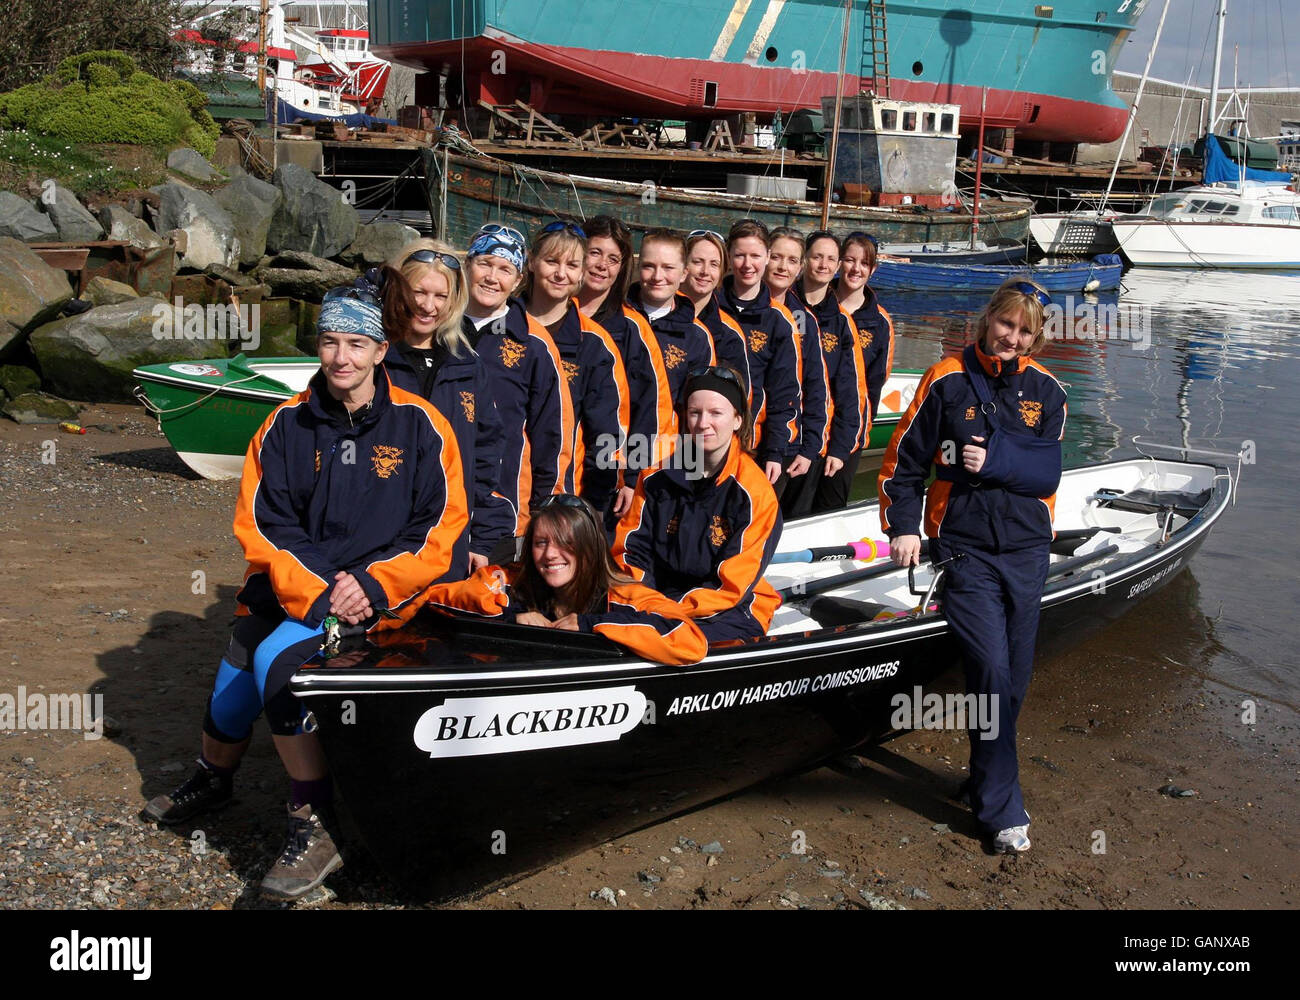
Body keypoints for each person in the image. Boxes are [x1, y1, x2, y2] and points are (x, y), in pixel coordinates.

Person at [142, 289, 469, 898]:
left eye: (356, 343)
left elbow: (439, 526)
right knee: (238, 664)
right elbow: (264, 525)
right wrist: (321, 592)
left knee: (278, 665)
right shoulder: (285, 424)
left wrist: (371, 584)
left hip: (384, 594)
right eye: (329, 342)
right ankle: (214, 777)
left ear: (380, 350)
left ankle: (315, 822)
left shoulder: (422, 425)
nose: (341, 356)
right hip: (304, 588)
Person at [877, 278, 1067, 855]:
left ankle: (987, 776)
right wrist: (904, 527)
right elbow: (903, 464)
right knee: (989, 672)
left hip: (1027, 550)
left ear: (1036, 337)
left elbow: (1046, 474)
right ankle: (1003, 813)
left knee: (1014, 679)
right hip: (964, 548)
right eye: (1005, 323)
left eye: (1025, 330)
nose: (1012, 336)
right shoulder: (945, 379)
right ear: (988, 320)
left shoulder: (1049, 392)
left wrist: (1000, 460)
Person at [423, 493, 708, 665]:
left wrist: (590, 624)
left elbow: (690, 640)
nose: (550, 555)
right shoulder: (508, 579)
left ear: (589, 546)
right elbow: (436, 598)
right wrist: (512, 616)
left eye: (564, 542)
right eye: (541, 542)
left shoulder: (623, 594)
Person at [614, 366, 782, 643]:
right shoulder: (655, 477)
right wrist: (650, 604)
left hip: (726, 608)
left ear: (738, 420)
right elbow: (631, 553)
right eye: (695, 412)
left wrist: (666, 613)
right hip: (654, 600)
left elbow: (731, 586)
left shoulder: (755, 495)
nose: (703, 423)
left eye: (716, 413)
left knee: (675, 640)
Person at [379, 238, 513, 579]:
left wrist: (481, 538)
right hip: (380, 540)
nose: (428, 306)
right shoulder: (373, 359)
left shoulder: (468, 366)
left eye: (441, 296)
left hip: (450, 540)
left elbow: (486, 458)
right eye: (418, 292)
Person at [460, 223, 574, 540]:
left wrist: (546, 509)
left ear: (518, 280)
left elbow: (553, 434)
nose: (492, 278)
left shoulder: (535, 344)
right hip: (438, 497)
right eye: (484, 264)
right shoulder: (439, 330)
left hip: (506, 504)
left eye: (505, 269)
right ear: (467, 265)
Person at [523, 220, 631, 517]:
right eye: (552, 261)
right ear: (531, 261)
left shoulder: (595, 344)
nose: (561, 273)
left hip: (565, 501)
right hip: (498, 498)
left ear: (582, 272)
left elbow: (607, 434)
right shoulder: (502, 328)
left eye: (572, 264)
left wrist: (595, 506)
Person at [718, 219, 802, 486]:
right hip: (704, 439)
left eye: (755, 255)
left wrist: (775, 452)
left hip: (753, 443)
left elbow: (784, 393)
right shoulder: (710, 308)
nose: (747, 264)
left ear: (766, 257)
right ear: (729, 257)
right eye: (740, 255)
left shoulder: (779, 321)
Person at [793, 230, 868, 513]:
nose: (823, 265)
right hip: (787, 438)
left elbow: (851, 391)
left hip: (823, 442)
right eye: (817, 257)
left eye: (831, 259)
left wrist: (840, 447)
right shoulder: (784, 309)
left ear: (837, 267)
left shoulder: (840, 321)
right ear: (805, 261)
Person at [765, 226, 829, 517]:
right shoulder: (732, 309)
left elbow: (816, 387)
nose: (782, 266)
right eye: (776, 257)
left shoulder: (805, 320)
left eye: (791, 260)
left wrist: (810, 447)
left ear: (801, 267)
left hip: (787, 444)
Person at [835, 232, 895, 423]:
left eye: (864, 263)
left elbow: (877, 380)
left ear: (873, 269)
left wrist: (864, 423)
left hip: (851, 421)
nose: (856, 269)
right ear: (839, 262)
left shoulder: (881, 322)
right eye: (850, 260)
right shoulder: (816, 308)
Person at [684, 229, 750, 391]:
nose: (705, 271)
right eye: (697, 261)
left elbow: (737, 397)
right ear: (683, 266)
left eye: (714, 264)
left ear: (721, 272)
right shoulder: (654, 316)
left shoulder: (729, 334)